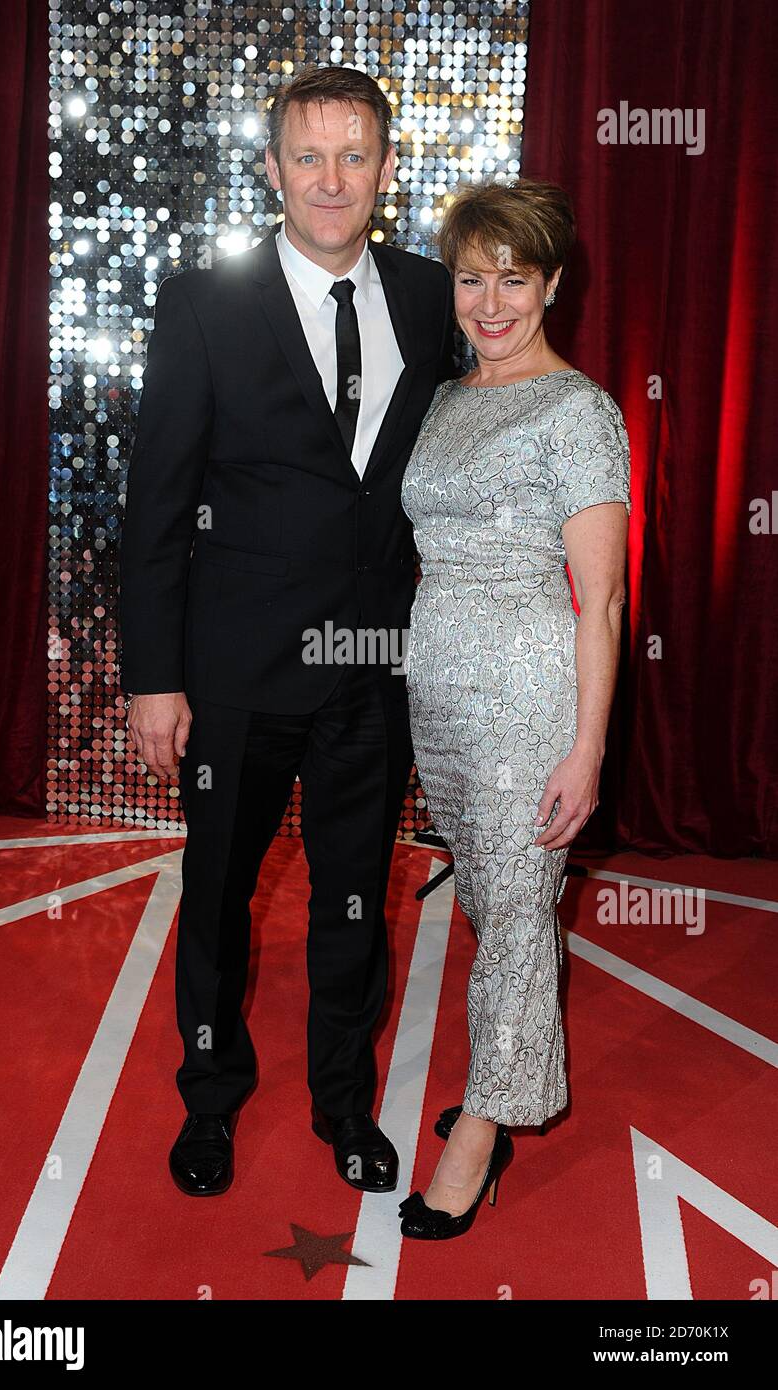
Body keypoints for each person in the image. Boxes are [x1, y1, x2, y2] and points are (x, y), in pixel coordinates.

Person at [118, 65, 458, 1197]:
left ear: (385, 172)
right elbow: (157, 507)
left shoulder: (423, 296)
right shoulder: (200, 302)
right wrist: (153, 677)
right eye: (306, 157)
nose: (329, 179)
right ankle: (209, 1100)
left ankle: (341, 1103)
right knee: (216, 900)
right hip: (235, 673)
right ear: (269, 169)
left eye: (352, 156)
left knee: (353, 895)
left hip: (370, 667)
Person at [398, 178, 631, 1240]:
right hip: (438, 692)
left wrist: (584, 749)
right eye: (470, 277)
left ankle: (479, 1131)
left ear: (550, 284)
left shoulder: (576, 411)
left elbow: (604, 602)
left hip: (528, 691)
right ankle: (509, 1076)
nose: (489, 301)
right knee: (499, 906)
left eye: (512, 278)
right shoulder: (446, 398)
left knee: (514, 915)